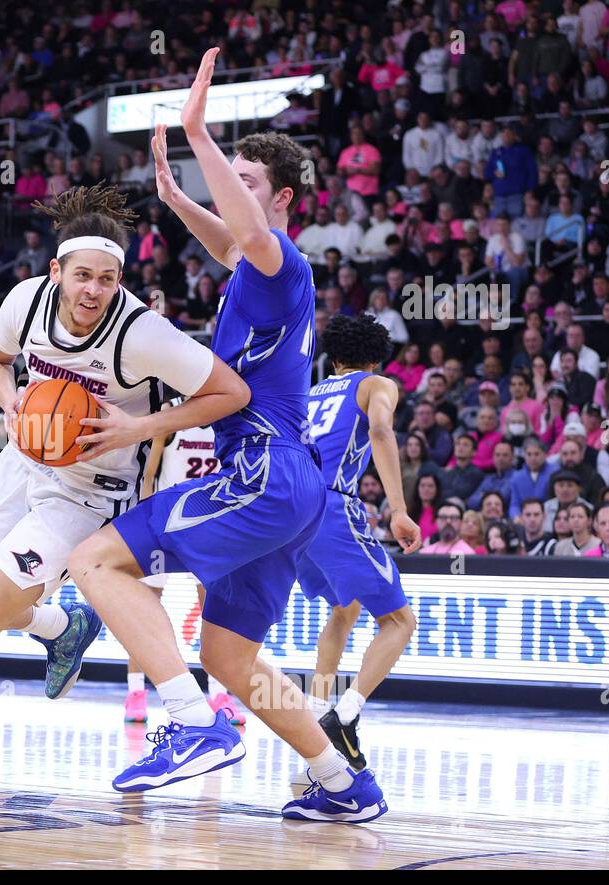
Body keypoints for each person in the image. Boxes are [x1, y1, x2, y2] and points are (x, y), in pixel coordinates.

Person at [0, 179, 248, 829]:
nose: (94, 290)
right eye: (83, 275)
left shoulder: (141, 333)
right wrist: (11, 402)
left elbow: (228, 392)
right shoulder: (26, 303)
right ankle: (60, 627)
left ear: (122, 280)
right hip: (25, 458)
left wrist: (134, 430)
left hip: (87, 494)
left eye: (108, 278)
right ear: (56, 270)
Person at [69, 53, 386, 825]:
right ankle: (343, 783)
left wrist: (197, 132)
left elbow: (245, 233)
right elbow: (227, 241)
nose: (231, 196)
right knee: (229, 656)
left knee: (95, 558)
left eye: (246, 183)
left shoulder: (281, 263)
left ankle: (190, 722)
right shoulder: (253, 271)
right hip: (292, 488)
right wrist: (177, 194)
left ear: (280, 200)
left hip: (266, 474)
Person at [295, 312, 421, 771]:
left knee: (343, 610)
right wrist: (399, 510)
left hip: (292, 515)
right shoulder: (375, 385)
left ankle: (313, 715)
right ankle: (343, 717)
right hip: (331, 507)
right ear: (375, 358)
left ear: (334, 359)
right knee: (399, 622)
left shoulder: (307, 393)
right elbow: (382, 431)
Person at [127, 392, 244, 726]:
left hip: (207, 527)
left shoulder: (227, 415)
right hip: (164, 523)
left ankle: (220, 693)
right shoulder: (171, 412)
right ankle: (136, 692)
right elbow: (148, 475)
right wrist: (143, 520)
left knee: (215, 613)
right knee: (144, 609)